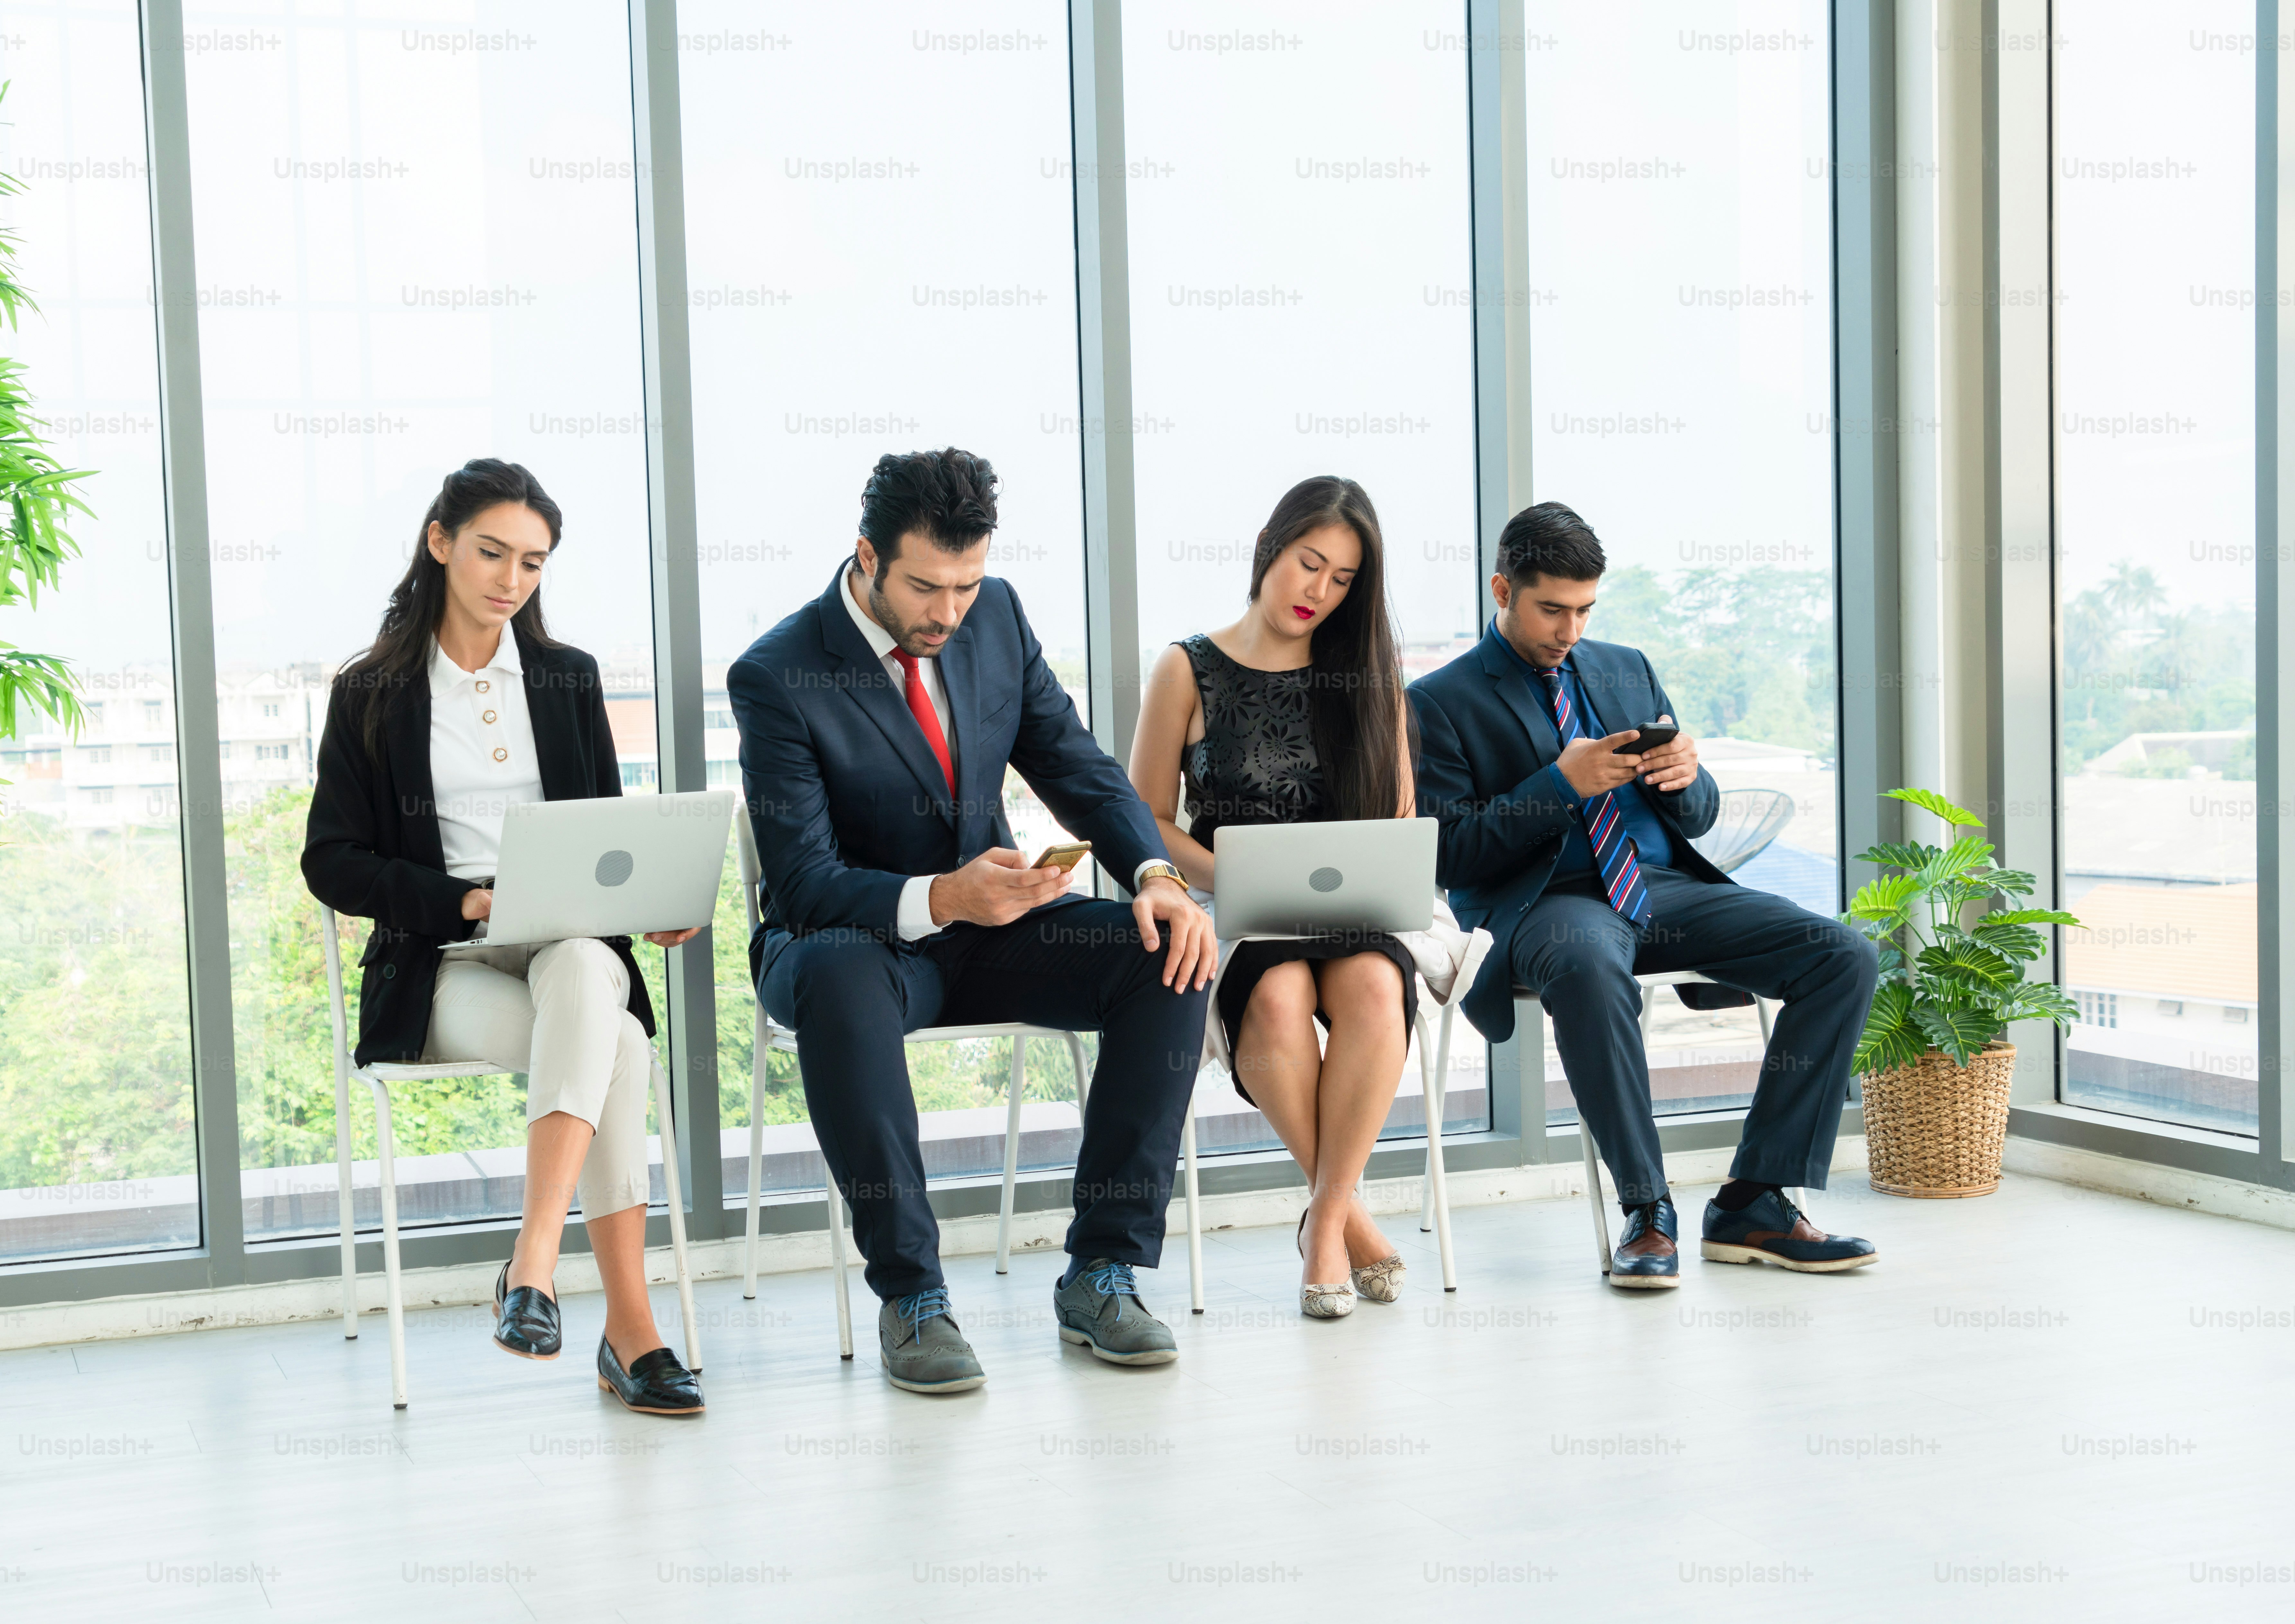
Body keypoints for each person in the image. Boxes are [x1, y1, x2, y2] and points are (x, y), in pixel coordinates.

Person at [728, 447, 1216, 1396]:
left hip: (994, 931)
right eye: (925, 586)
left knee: (1165, 954)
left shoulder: (995, 618)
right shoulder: (779, 674)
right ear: (866, 557)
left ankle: (1102, 1272)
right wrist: (943, 896)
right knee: (837, 977)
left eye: (966, 584)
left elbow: (1074, 762)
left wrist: (1155, 874)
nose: (947, 612)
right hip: (847, 942)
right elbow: (803, 883)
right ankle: (913, 1296)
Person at [304, 458, 706, 1416]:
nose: (510, 581)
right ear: (441, 543)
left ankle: (532, 1264)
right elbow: (333, 861)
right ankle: (632, 1334)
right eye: (492, 553)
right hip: (443, 967)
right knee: (620, 1049)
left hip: (568, 950)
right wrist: (468, 903)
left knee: (584, 970)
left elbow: (603, 837)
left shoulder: (567, 680)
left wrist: (648, 897)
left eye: (532, 563)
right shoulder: (373, 692)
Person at [1406, 501, 1880, 1289]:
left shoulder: (1626, 667)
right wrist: (1560, 785)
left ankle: (1754, 1198)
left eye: (1585, 609)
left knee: (1842, 956)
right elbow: (1450, 854)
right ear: (1502, 589)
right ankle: (1646, 1209)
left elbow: (1695, 817)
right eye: (1552, 609)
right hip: (1547, 904)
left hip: (1658, 888)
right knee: (1589, 967)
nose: (1571, 630)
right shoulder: (1439, 700)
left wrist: (1689, 777)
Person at [1127, 475, 1483, 1320]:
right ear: (1269, 549)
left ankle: (1322, 1220)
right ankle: (1350, 1218)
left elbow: (1399, 818)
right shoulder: (1188, 668)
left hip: (1360, 903)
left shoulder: (1368, 673)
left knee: (1368, 985)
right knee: (1280, 997)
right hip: (1241, 904)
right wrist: (1233, 875)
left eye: (1342, 579)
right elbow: (1143, 823)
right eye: (1308, 565)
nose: (1318, 592)